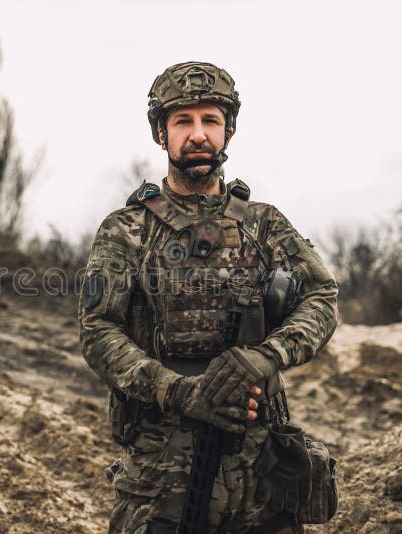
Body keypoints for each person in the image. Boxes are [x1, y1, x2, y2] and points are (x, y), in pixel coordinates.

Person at [79, 61, 338, 533]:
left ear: (228, 130)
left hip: (259, 465)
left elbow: (321, 296)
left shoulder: (264, 224)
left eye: (210, 121)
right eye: (183, 121)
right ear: (162, 133)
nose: (198, 134)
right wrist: (178, 391)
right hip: (162, 471)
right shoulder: (127, 230)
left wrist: (266, 357)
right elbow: (98, 331)